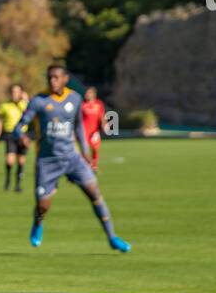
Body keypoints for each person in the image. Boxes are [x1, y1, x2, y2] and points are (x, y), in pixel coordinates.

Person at [15, 64, 130, 253]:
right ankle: (38, 223)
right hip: (47, 161)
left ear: (65, 79)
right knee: (43, 205)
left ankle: (112, 237)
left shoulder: (75, 99)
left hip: (72, 157)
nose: (52, 81)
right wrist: (23, 137)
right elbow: (19, 126)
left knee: (94, 192)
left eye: (56, 77)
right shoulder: (38, 101)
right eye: (50, 78)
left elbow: (78, 128)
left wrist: (85, 154)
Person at [0, 83, 29, 191]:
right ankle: (7, 181)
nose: (14, 94)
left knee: (21, 161)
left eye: (17, 92)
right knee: (10, 161)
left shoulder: (25, 105)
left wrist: (26, 100)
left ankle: (18, 185)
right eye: (13, 92)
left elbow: (32, 114)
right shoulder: (5, 106)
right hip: (10, 134)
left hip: (22, 135)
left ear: (21, 93)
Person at [80, 87, 106, 172]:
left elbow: (102, 116)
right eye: (86, 93)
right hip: (84, 132)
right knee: (85, 150)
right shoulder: (82, 104)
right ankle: (85, 166)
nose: (87, 95)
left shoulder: (99, 104)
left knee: (95, 148)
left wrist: (104, 125)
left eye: (89, 93)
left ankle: (94, 166)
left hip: (94, 131)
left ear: (93, 94)